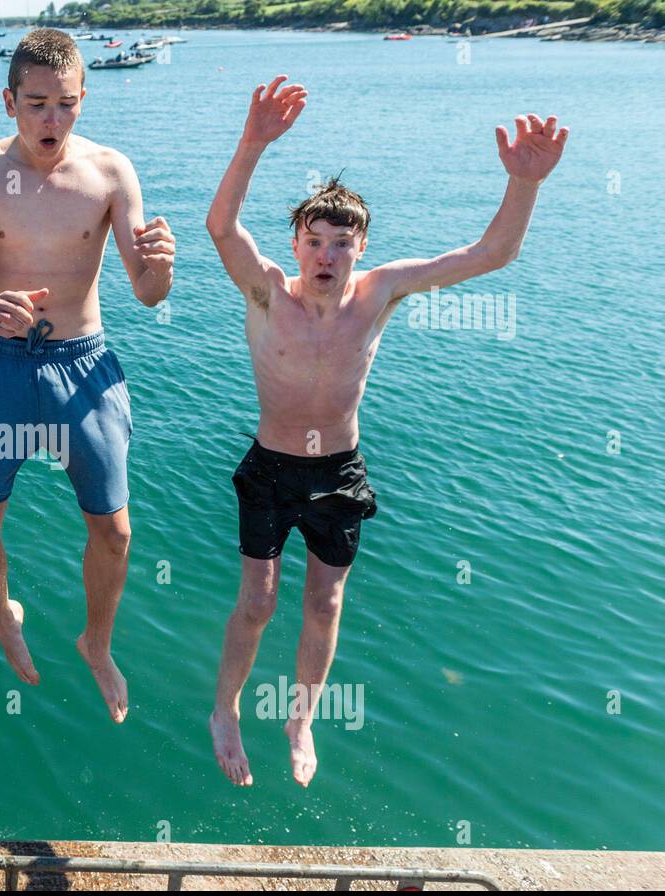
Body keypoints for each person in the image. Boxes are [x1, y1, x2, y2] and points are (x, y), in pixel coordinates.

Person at [205, 76, 568, 787]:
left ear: (361, 247)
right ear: (296, 242)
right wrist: (252, 143)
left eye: (341, 244)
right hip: (270, 468)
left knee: (325, 600)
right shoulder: (266, 289)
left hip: (339, 472)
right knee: (257, 601)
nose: (326, 257)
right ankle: (225, 709)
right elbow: (220, 228)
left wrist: (524, 185)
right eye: (315, 241)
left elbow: (491, 254)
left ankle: (301, 718)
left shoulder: (382, 291)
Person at [0, 28, 175, 723]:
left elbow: (148, 293)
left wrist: (160, 269)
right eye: (36, 103)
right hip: (1, 365)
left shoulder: (109, 172)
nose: (52, 120)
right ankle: (4, 611)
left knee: (115, 531)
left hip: (84, 363)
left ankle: (96, 641)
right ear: (9, 100)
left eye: (66, 104)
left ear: (83, 99)